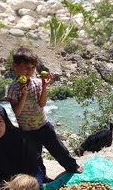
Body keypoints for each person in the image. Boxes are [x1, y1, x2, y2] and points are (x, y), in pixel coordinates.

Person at [6, 47, 81, 181]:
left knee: (58, 148)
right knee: (35, 157)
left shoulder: (36, 83)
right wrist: (23, 95)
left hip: (43, 124)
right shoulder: (12, 88)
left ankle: (71, 166)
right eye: (26, 68)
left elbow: (42, 104)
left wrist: (44, 86)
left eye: (33, 67)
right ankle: (43, 178)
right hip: (27, 130)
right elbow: (17, 111)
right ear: (15, 67)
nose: (30, 71)